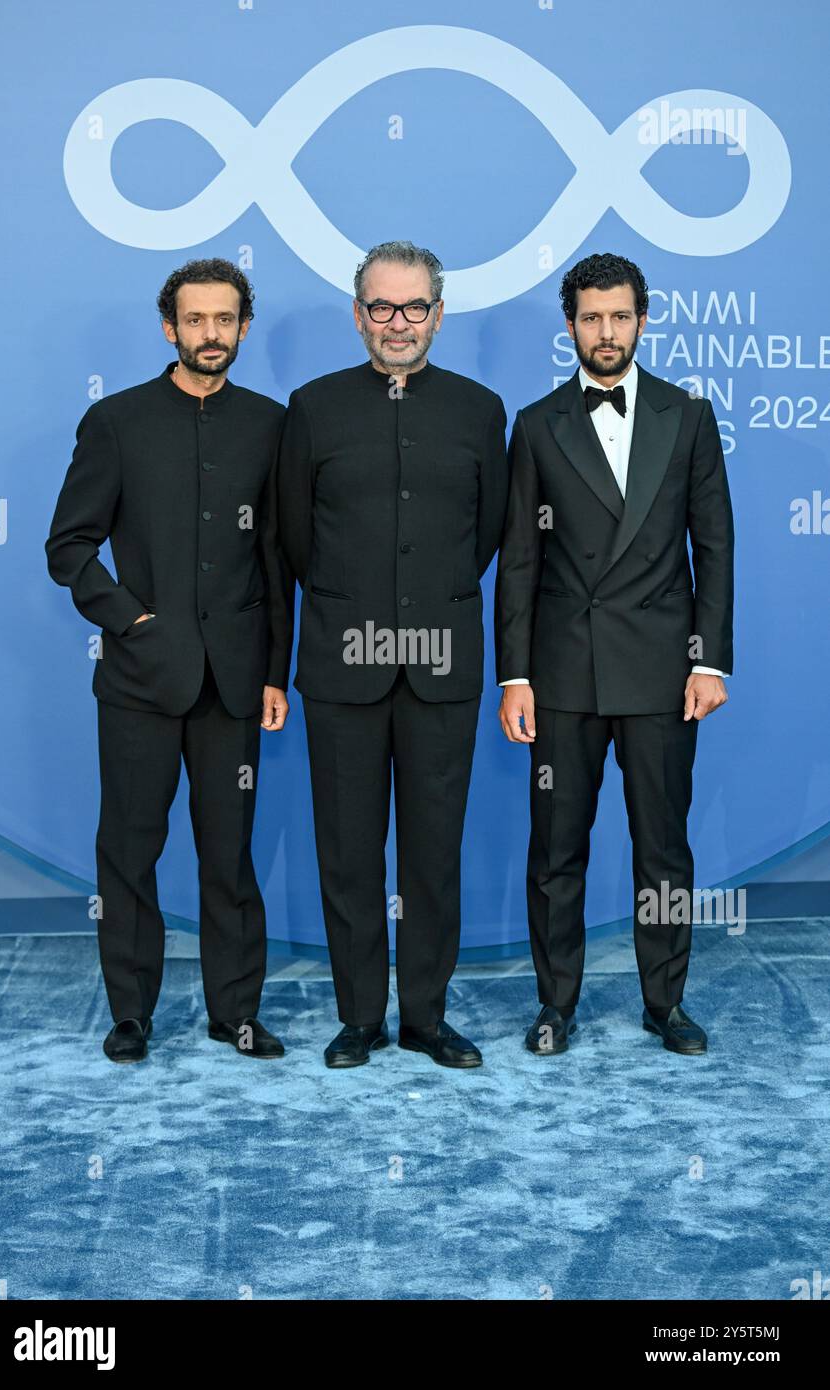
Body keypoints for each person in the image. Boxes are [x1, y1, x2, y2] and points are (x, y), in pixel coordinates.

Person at [46, 258, 293, 1063]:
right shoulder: (116, 422)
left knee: (230, 855)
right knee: (129, 848)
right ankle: (131, 1013)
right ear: (170, 328)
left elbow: (279, 562)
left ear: (243, 328)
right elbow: (69, 546)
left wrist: (272, 673)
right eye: (196, 321)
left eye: (225, 320)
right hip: (139, 681)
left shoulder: (271, 423)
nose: (210, 335)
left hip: (234, 684)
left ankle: (236, 1014)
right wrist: (133, 621)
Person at [495, 251, 734, 1057]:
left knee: (663, 848)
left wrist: (710, 661)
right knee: (556, 850)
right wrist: (516, 675)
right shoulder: (535, 424)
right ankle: (554, 1006)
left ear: (641, 319)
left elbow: (716, 547)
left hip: (666, 674)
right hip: (562, 677)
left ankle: (664, 1003)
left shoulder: (688, 415)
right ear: (571, 325)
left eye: (620, 316)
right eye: (592, 317)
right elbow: (520, 561)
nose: (606, 331)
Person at [277, 240, 509, 1068]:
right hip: (343, 662)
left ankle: (425, 1016)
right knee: (346, 848)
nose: (398, 323)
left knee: (433, 851)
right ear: (358, 314)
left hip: (443, 664)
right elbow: (297, 540)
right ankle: (359, 1018)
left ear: (438, 316)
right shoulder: (312, 407)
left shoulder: (482, 410)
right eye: (382, 307)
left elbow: (488, 536)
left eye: (415, 308)